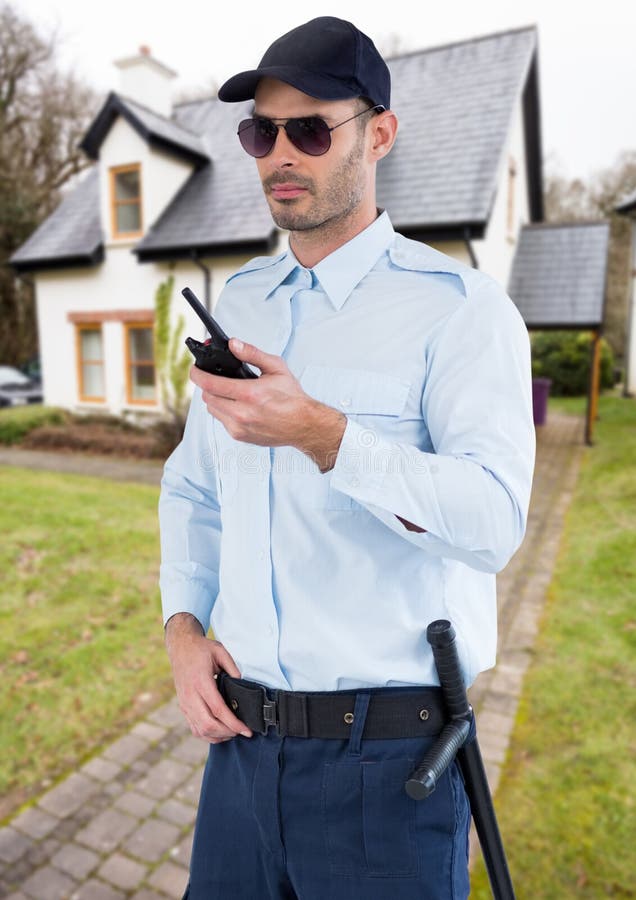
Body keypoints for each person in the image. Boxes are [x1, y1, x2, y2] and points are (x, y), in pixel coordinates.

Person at [159, 15, 535, 900]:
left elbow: (493, 525)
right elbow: (193, 488)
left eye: (311, 128)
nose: (280, 153)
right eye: (262, 130)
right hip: (242, 760)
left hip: (390, 772)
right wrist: (182, 630)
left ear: (381, 133)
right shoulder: (242, 298)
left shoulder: (462, 310)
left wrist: (325, 435)